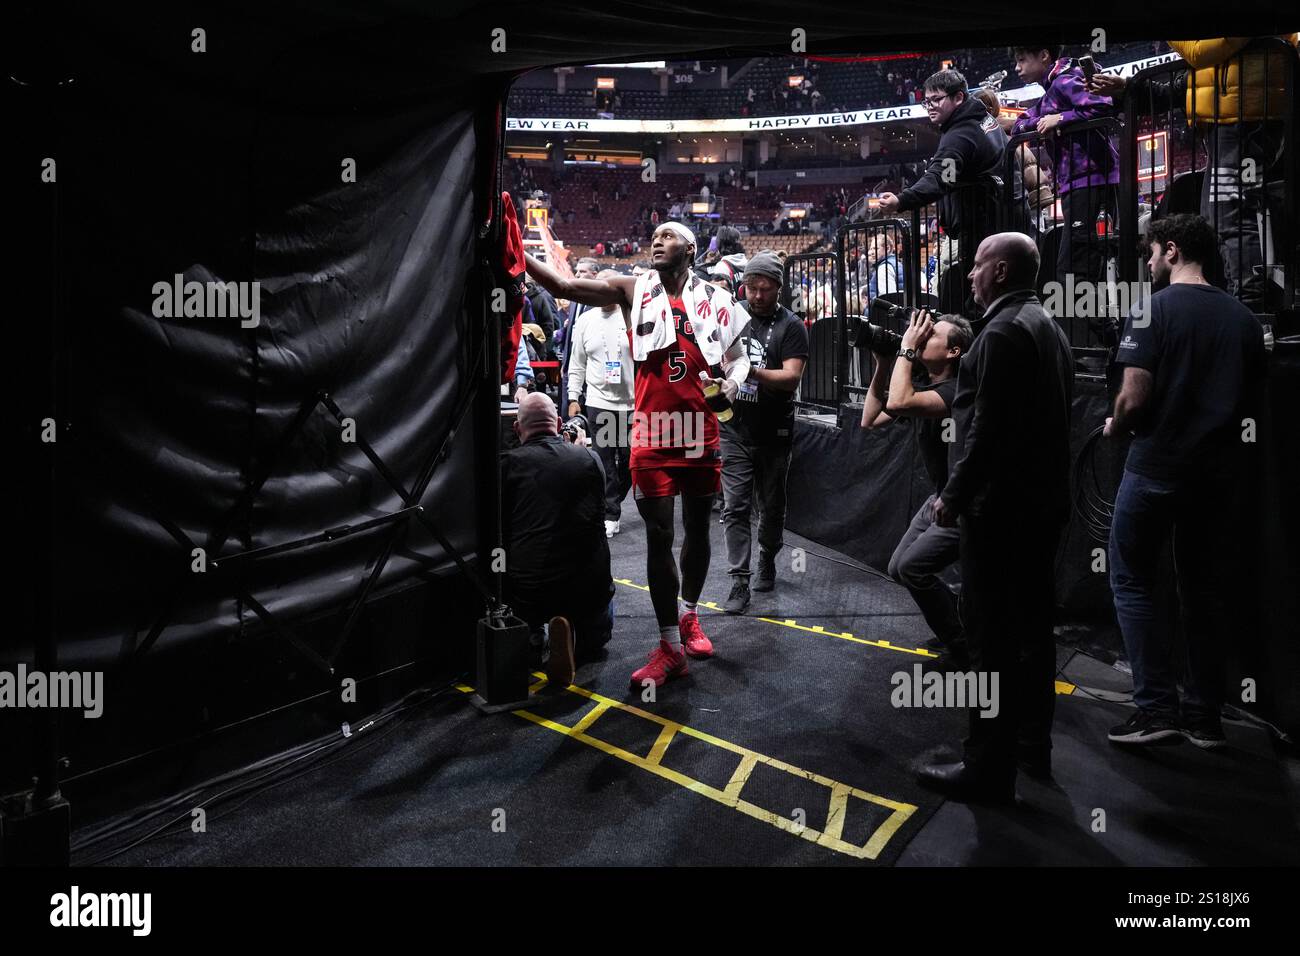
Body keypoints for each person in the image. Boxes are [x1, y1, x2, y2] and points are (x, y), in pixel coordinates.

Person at [524, 222, 751, 689]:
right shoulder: (633, 289)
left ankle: (690, 615)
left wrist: (731, 383)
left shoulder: (715, 299)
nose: (657, 240)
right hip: (650, 428)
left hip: (698, 428)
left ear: (690, 248)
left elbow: (740, 358)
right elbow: (565, 285)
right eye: (655, 235)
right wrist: (517, 251)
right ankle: (670, 644)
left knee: (698, 530)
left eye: (668, 235)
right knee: (657, 536)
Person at [919, 232, 1073, 802]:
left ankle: (987, 768)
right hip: (1038, 507)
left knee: (990, 642)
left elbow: (987, 431)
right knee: (1033, 634)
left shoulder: (1003, 332)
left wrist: (954, 496)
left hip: (1001, 511)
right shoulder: (1046, 325)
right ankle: (1033, 747)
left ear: (1001, 271)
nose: (970, 275)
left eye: (978, 265)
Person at [1104, 214, 1266, 749]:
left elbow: (1133, 395)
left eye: (1151, 253)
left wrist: (1116, 424)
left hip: (1157, 467)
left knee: (1132, 580)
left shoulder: (1152, 309)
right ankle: (1203, 717)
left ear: (1171, 251)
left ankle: (1155, 709)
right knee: (1203, 591)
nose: (1149, 264)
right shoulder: (1243, 318)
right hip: (1218, 476)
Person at [1089, 34, 1299, 309]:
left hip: (1245, 120)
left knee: (1233, 217)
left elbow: (1200, 52)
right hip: (1230, 121)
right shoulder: (1225, 61)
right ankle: (1245, 305)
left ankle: (1254, 310)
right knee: (1220, 220)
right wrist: (1129, 87)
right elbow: (1192, 83)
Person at [861, 309, 973, 665]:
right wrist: (883, 362)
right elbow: (870, 420)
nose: (921, 336)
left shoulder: (956, 391)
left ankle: (964, 647)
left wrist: (907, 349)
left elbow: (898, 402)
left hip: (963, 503)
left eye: (931, 334)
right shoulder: (925, 387)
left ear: (953, 352)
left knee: (912, 568)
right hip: (939, 496)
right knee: (899, 568)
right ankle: (960, 628)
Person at [501, 393, 616, 687]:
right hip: (589, 590)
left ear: (517, 428)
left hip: (531, 590)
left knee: (514, 560)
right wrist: (577, 451)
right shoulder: (589, 459)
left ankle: (534, 638)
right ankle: (574, 637)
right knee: (595, 642)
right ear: (560, 423)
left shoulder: (506, 466)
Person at [719, 252, 809, 613]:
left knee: (771, 506)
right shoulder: (731, 315)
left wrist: (747, 371)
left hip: (774, 430)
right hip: (734, 427)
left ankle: (767, 554)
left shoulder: (791, 325)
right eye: (751, 288)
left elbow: (791, 378)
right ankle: (739, 580)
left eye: (765, 289)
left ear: (779, 289)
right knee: (735, 506)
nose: (756, 295)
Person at [877, 69, 1003, 316]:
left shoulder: (960, 134)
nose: (930, 106)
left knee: (976, 298)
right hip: (997, 218)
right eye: (927, 100)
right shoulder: (984, 120)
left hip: (980, 224)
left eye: (937, 99)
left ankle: (969, 350)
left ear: (958, 98)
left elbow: (940, 178)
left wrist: (901, 200)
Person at [1011, 44, 1120, 287]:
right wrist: (1046, 120)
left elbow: (1103, 105)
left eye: (1021, 60)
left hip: (1090, 180)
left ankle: (1092, 324)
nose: (1017, 68)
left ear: (1043, 55)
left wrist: (1062, 118)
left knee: (1075, 269)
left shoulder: (1065, 81)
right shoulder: (1051, 91)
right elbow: (1020, 125)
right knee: (1078, 267)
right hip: (1080, 182)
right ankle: (1095, 323)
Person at [567, 269, 635, 538]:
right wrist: (574, 396)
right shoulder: (585, 320)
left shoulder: (632, 315)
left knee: (630, 463)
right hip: (600, 402)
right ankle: (611, 512)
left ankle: (612, 501)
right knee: (606, 462)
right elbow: (577, 362)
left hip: (632, 403)